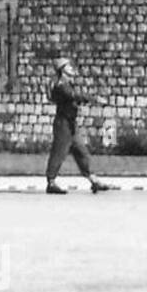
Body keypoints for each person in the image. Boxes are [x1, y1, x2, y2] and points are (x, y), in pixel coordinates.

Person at [45, 58, 116, 194]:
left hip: (71, 124)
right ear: (62, 69)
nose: (72, 68)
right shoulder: (61, 86)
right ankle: (51, 182)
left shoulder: (67, 84)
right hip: (63, 124)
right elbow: (74, 96)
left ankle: (93, 180)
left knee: (81, 152)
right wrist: (94, 99)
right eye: (68, 66)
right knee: (59, 152)